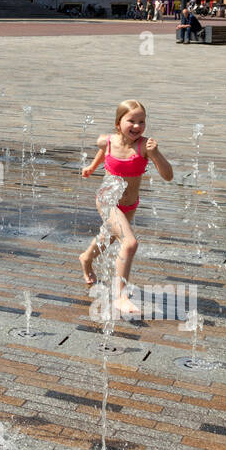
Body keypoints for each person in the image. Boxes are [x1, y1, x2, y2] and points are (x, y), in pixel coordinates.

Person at [78, 99, 174, 318]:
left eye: (142, 121)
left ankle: (86, 258)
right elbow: (104, 152)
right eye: (131, 120)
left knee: (111, 237)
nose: (137, 126)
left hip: (129, 204)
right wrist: (92, 167)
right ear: (118, 122)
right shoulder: (107, 141)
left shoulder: (144, 147)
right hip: (107, 199)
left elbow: (168, 176)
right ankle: (120, 296)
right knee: (130, 243)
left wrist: (156, 153)